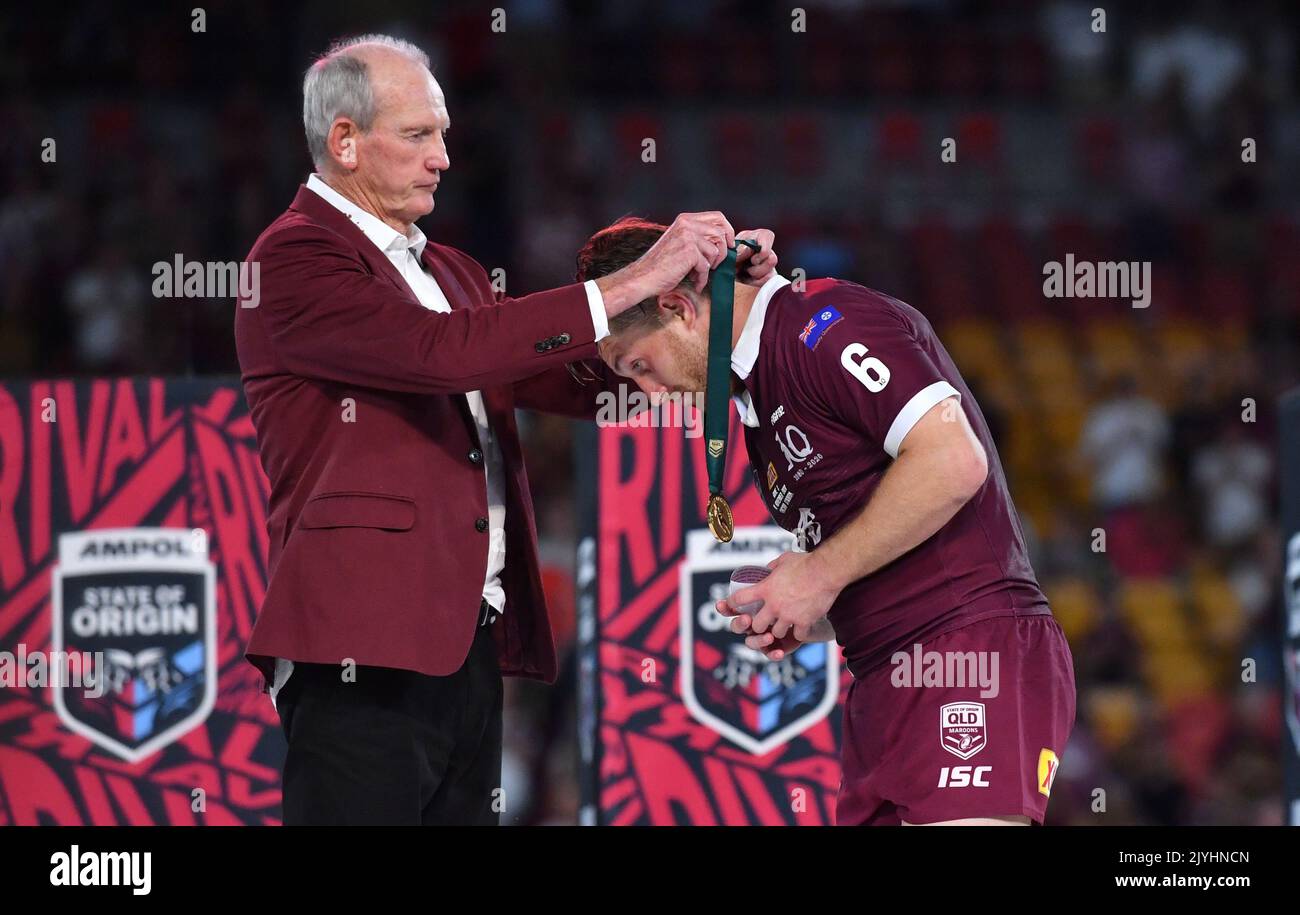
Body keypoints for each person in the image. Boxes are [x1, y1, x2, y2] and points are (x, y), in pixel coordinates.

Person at [234, 35, 777, 825]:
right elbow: (441, 353)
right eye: (418, 134)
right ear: (345, 141)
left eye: (443, 134)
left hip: (467, 647)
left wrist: (707, 314)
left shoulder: (450, 271)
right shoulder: (292, 259)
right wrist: (639, 274)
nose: (443, 157)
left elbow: (555, 374)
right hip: (360, 649)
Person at [574, 216, 1075, 826]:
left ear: (678, 307)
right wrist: (809, 609)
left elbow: (952, 461)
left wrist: (816, 576)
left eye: (637, 365)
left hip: (969, 652)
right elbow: (886, 543)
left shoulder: (824, 324)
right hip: (885, 678)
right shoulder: (760, 392)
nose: (650, 394)